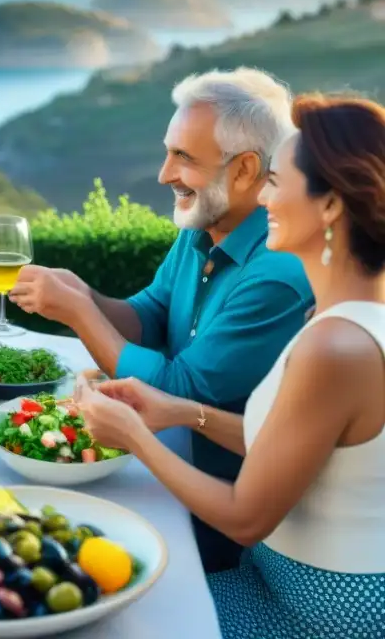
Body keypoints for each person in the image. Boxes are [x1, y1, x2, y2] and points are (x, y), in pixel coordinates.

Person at [76, 94, 385, 639]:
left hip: (313, 612)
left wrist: (136, 436)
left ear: (331, 206)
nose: (262, 197)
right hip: (269, 576)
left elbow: (247, 516)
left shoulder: (335, 346)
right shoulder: (341, 317)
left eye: (277, 181)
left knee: (108, 617)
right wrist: (178, 412)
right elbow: (294, 446)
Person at [8, 67, 314, 573]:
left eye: (184, 158)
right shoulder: (204, 227)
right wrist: (81, 292)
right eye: (168, 151)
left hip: (222, 519)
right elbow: (148, 315)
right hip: (169, 463)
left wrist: (81, 313)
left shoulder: (276, 272)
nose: (164, 173)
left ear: (243, 170)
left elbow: (183, 389)